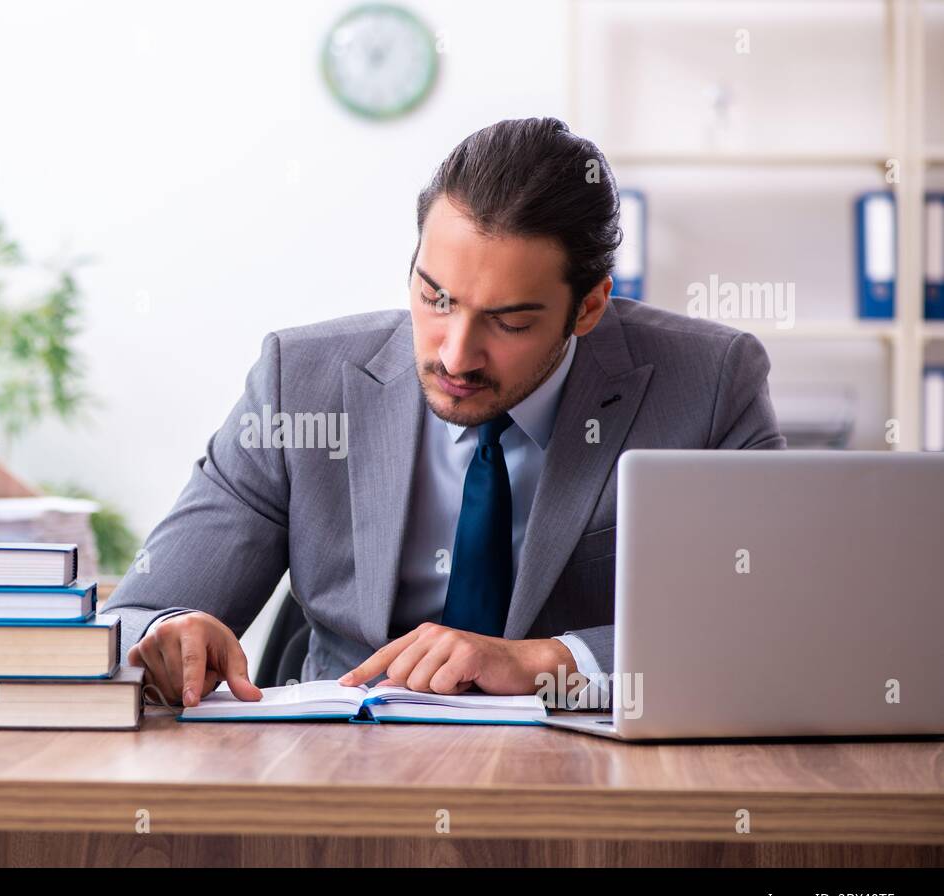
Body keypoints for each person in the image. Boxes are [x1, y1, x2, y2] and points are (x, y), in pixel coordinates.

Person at [104, 116, 785, 707]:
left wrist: (554, 660)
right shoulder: (299, 384)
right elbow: (134, 614)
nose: (456, 355)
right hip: (338, 772)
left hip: (586, 780)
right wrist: (172, 634)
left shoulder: (709, 385)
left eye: (509, 322)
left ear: (589, 306)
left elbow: (766, 620)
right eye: (436, 299)